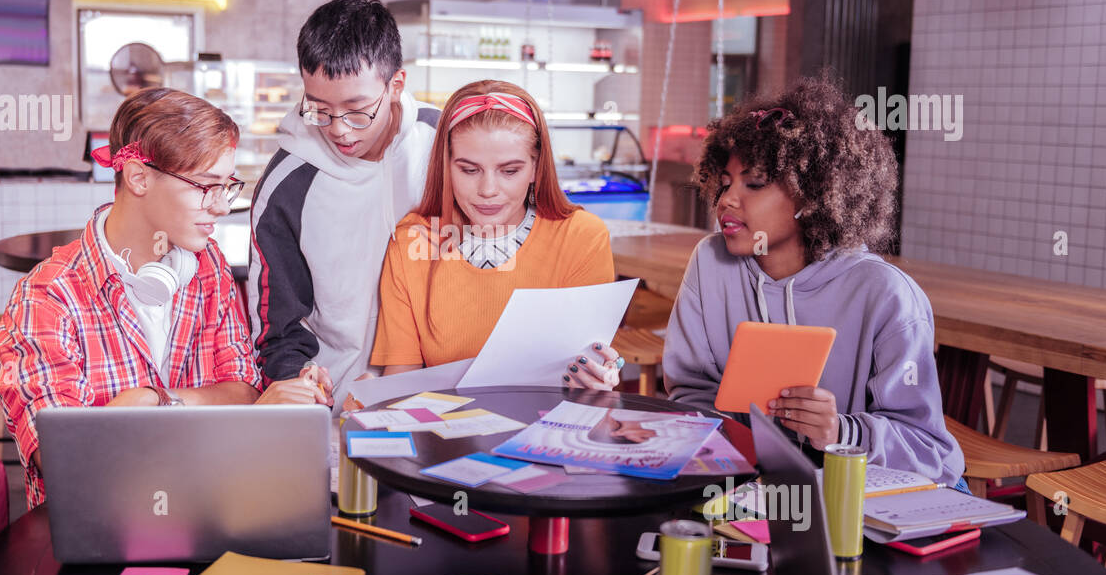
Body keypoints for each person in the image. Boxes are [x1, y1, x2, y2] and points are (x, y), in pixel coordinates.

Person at [0, 88, 330, 509]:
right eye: (206, 186)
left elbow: (243, 392)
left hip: (206, 507)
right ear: (138, 177)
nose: (222, 207)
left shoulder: (207, 267)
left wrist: (153, 401)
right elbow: (64, 457)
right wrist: (205, 406)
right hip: (101, 527)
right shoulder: (47, 298)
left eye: (227, 187)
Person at [661, 75, 965, 487]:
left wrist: (842, 431)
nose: (728, 200)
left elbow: (935, 455)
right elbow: (691, 392)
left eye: (755, 183)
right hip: (756, 488)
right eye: (726, 182)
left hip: (859, 497)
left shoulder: (885, 294)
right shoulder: (710, 262)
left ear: (812, 194)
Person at [247, 0, 440, 411]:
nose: (338, 130)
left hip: (445, 400)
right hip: (339, 409)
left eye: (356, 111)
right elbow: (274, 329)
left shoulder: (446, 145)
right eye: (318, 109)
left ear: (396, 86)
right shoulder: (287, 184)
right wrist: (300, 381)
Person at [370, 79, 621, 387]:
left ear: (535, 167)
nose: (487, 190)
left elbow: (586, 377)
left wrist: (595, 379)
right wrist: (372, 401)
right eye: (469, 170)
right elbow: (400, 379)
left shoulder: (582, 237)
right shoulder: (413, 240)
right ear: (446, 166)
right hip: (444, 432)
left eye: (509, 171)